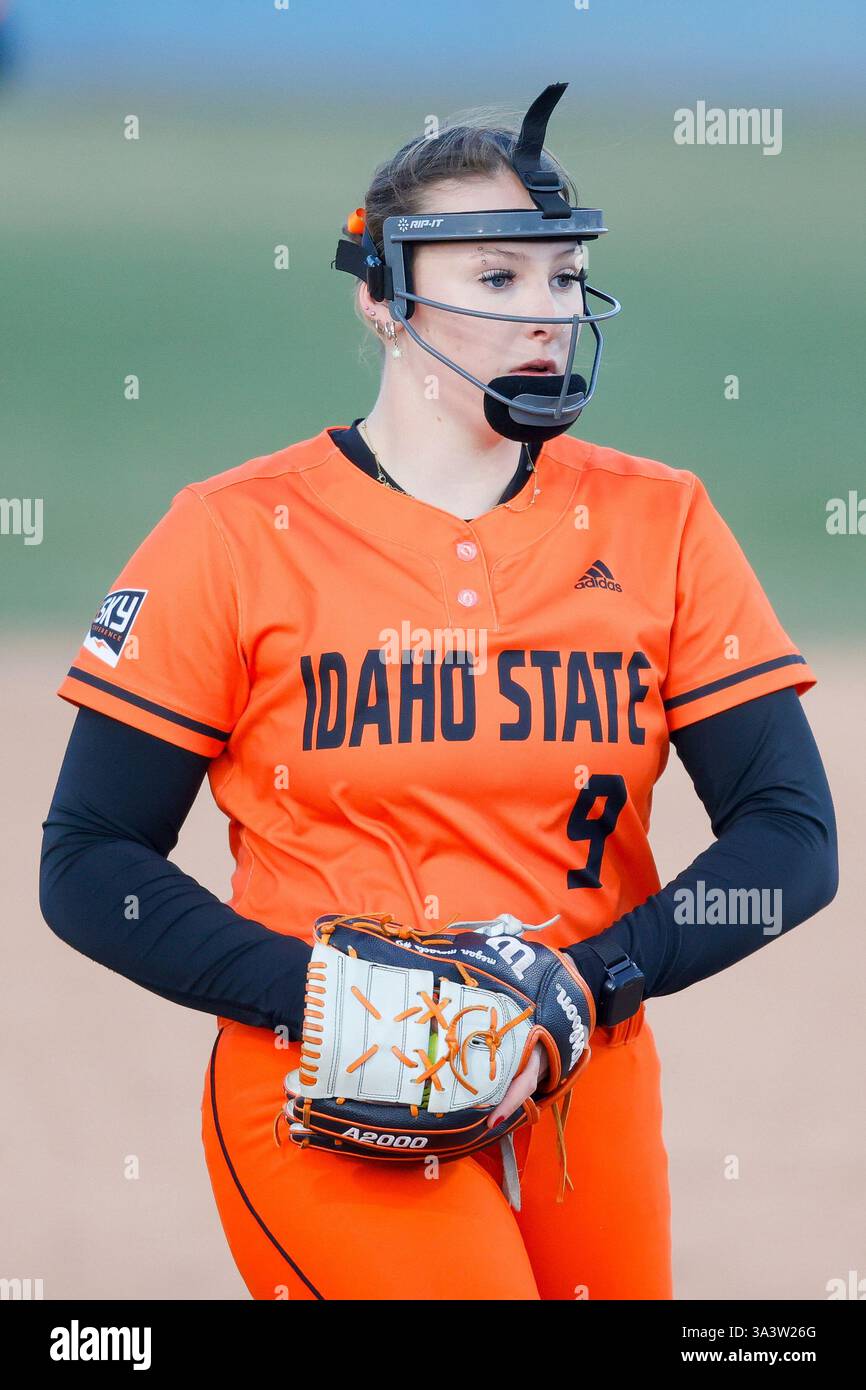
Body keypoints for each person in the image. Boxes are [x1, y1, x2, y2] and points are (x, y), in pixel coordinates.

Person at [40, 84, 837, 1301]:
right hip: (326, 1077)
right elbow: (90, 858)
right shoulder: (235, 533)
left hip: (581, 1071)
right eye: (495, 277)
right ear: (381, 298)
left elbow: (792, 837)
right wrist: (325, 998)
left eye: (561, 278)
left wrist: (589, 982)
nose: (544, 315)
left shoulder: (659, 518)